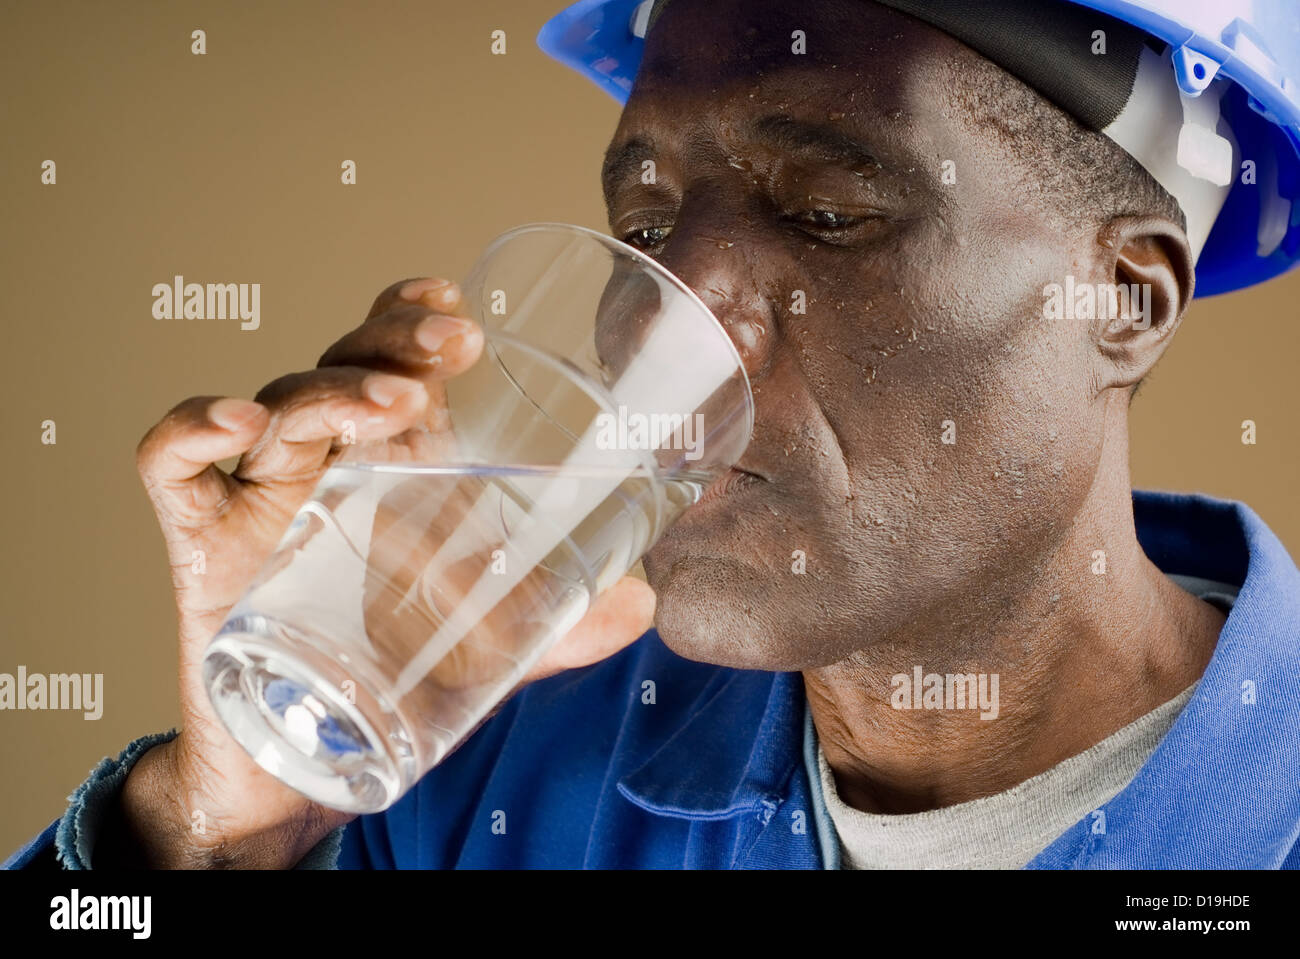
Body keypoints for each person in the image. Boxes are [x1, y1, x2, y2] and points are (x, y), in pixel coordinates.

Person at [7, 0, 1300, 870]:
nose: (661, 332)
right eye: (645, 225)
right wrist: (217, 828)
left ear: (1123, 299)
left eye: (832, 212)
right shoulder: (466, 760)